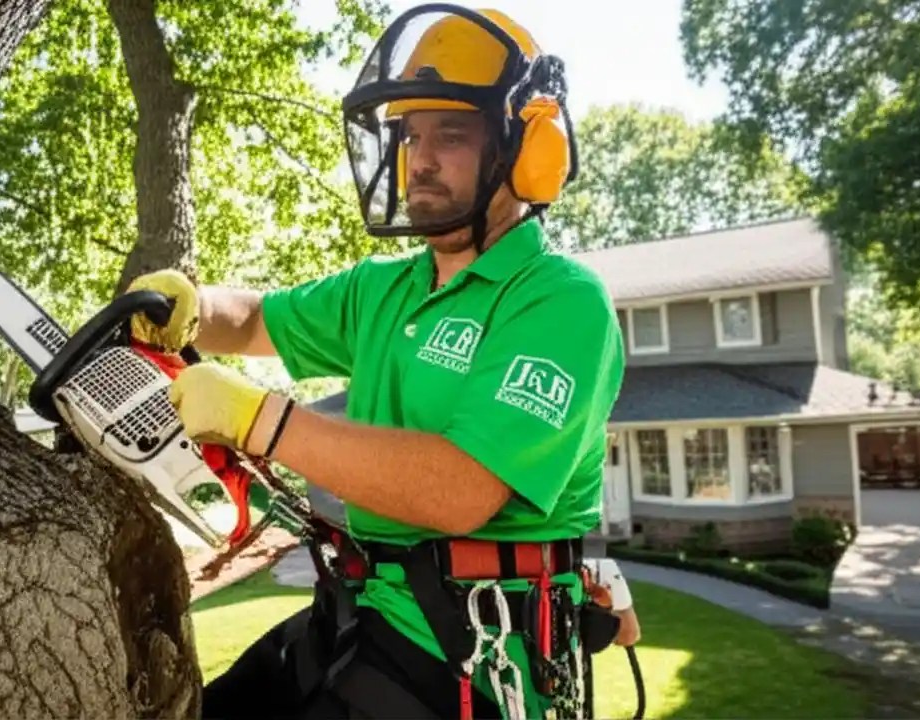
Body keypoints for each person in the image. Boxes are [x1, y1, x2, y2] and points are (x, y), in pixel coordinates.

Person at [127, 5, 628, 718]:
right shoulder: (385, 288)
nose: (417, 159)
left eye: (449, 134)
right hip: (360, 614)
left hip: (471, 662)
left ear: (525, 147)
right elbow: (260, 318)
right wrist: (191, 305)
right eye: (408, 135)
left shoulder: (559, 302)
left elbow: (460, 489)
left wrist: (256, 419)